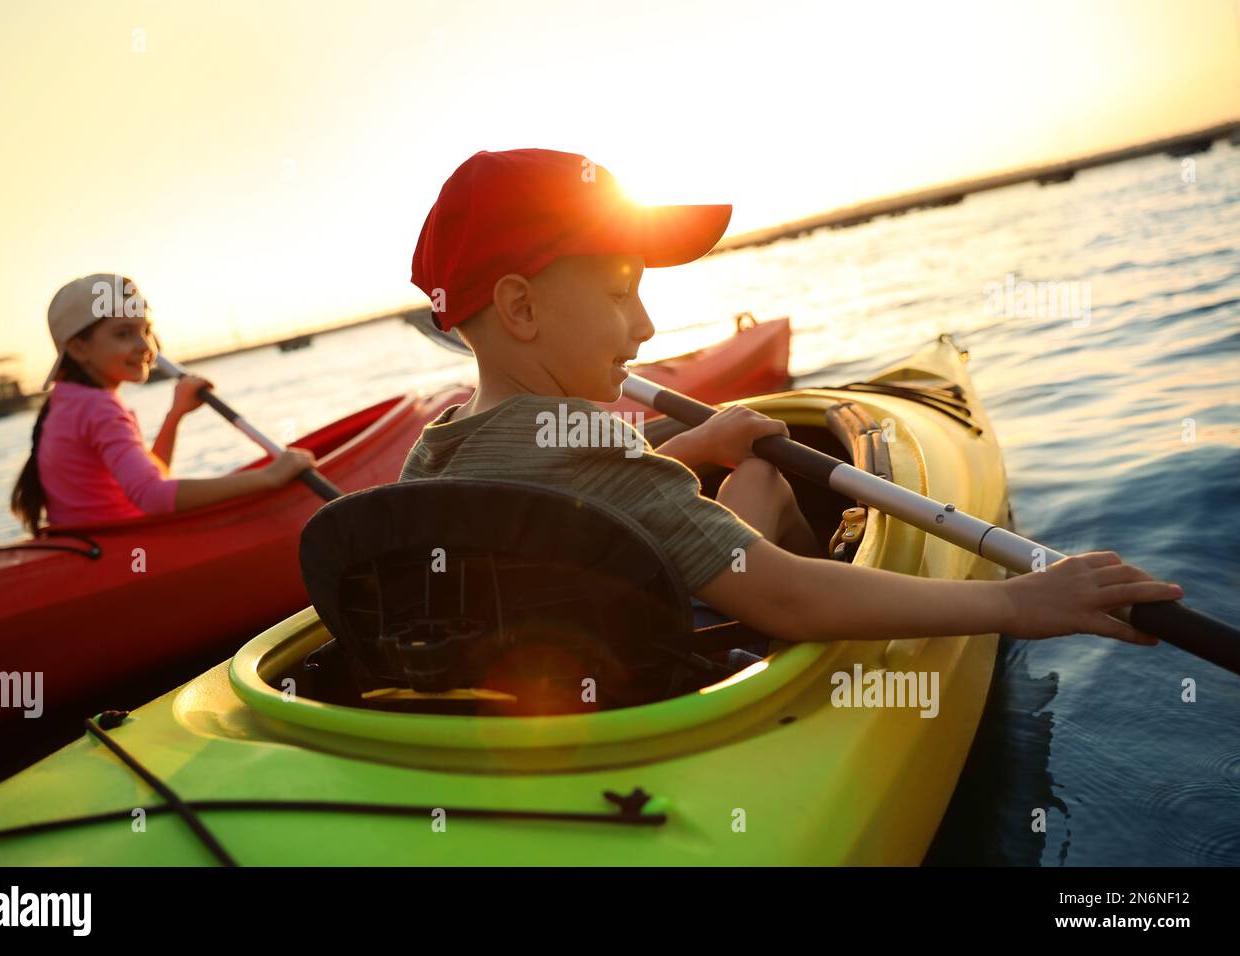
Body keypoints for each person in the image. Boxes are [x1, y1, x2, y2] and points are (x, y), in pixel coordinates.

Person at [399, 149, 1181, 646]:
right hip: (670, 667)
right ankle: (841, 613)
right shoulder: (580, 443)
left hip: (548, 666)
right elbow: (785, 598)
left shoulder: (438, 452)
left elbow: (562, 512)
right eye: (618, 294)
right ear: (522, 309)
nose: (645, 323)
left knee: (757, 474)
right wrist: (1022, 603)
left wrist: (687, 451)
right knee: (772, 493)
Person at [11, 274, 315, 534]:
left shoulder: (68, 399)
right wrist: (269, 477)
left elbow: (148, 482)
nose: (145, 345)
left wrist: (175, 414)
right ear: (78, 348)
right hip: (126, 550)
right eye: (123, 334)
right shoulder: (99, 407)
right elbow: (154, 496)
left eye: (145, 329)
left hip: (107, 544)